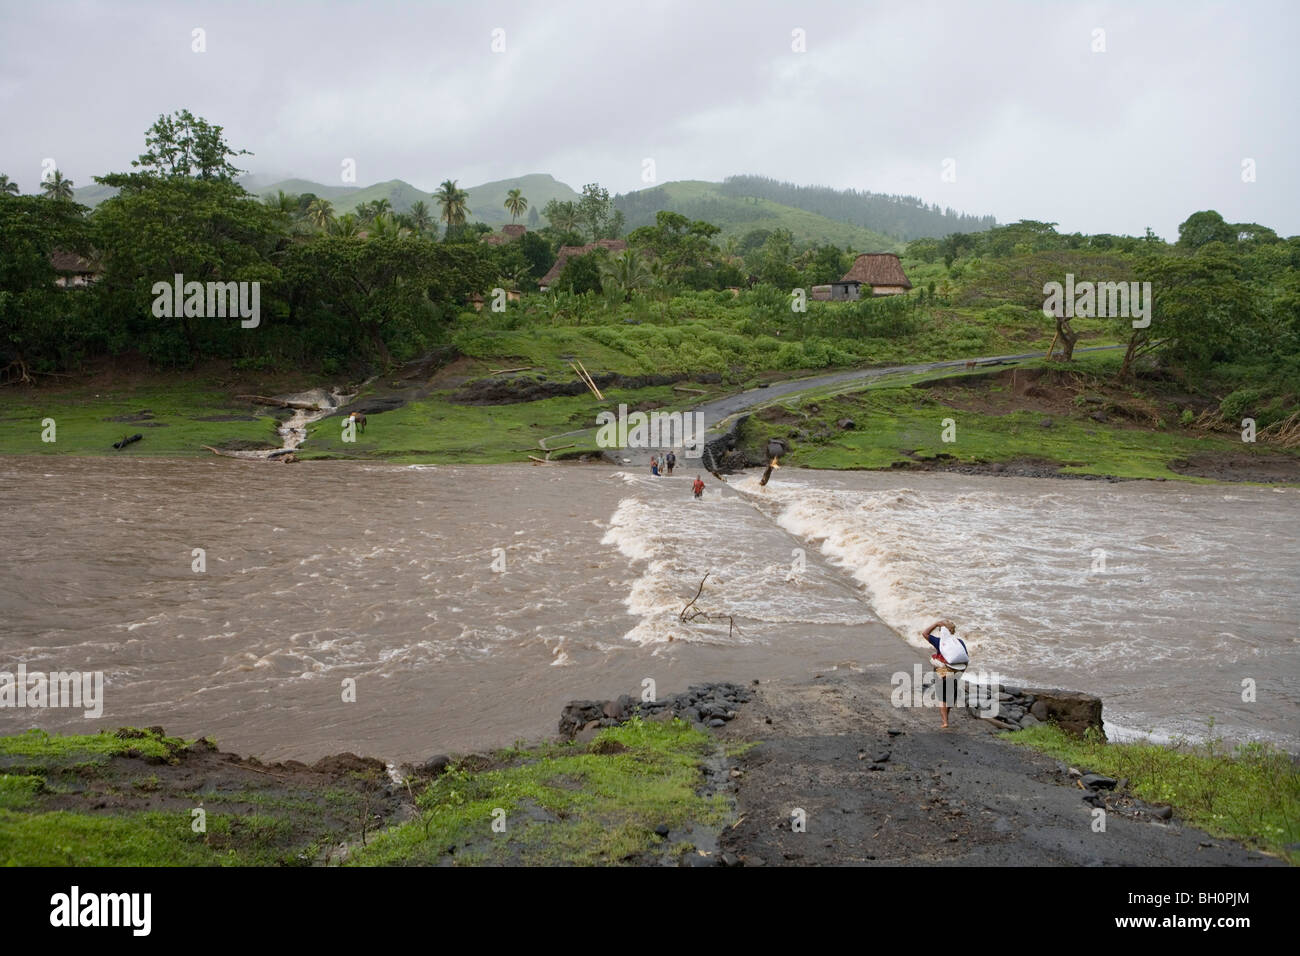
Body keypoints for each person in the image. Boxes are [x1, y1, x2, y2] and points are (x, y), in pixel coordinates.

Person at [921, 618, 968, 729]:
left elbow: (925, 633)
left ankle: (945, 722)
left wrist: (936, 623)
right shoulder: (959, 642)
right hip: (956, 672)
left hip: (942, 671)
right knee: (951, 696)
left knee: (942, 696)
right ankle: (946, 717)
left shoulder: (939, 642)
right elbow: (965, 658)